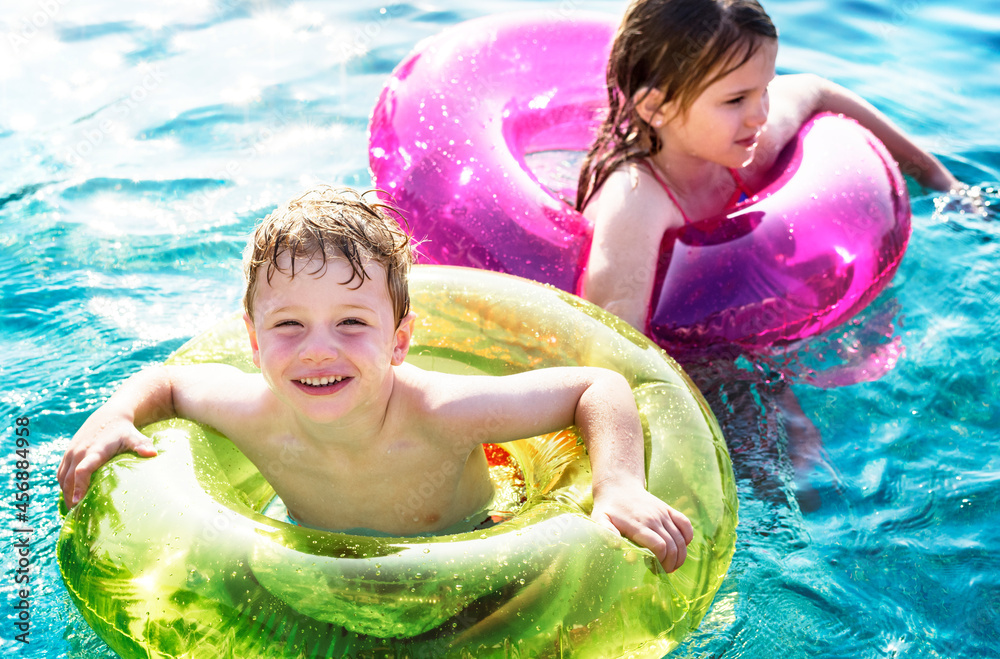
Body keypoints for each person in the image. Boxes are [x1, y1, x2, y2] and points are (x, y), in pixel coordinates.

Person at [57, 185, 693, 572]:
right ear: (252, 342)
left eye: (351, 321)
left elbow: (597, 388)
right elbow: (165, 382)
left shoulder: (443, 412)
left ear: (399, 342)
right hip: (315, 559)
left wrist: (617, 487)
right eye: (289, 326)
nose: (318, 351)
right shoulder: (252, 411)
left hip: (478, 545)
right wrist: (116, 415)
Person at [575, 0, 962, 330]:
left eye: (764, 89)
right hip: (687, 336)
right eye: (736, 100)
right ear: (656, 107)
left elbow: (817, 89)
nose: (760, 114)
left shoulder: (749, 139)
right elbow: (614, 348)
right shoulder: (636, 202)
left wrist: (936, 177)